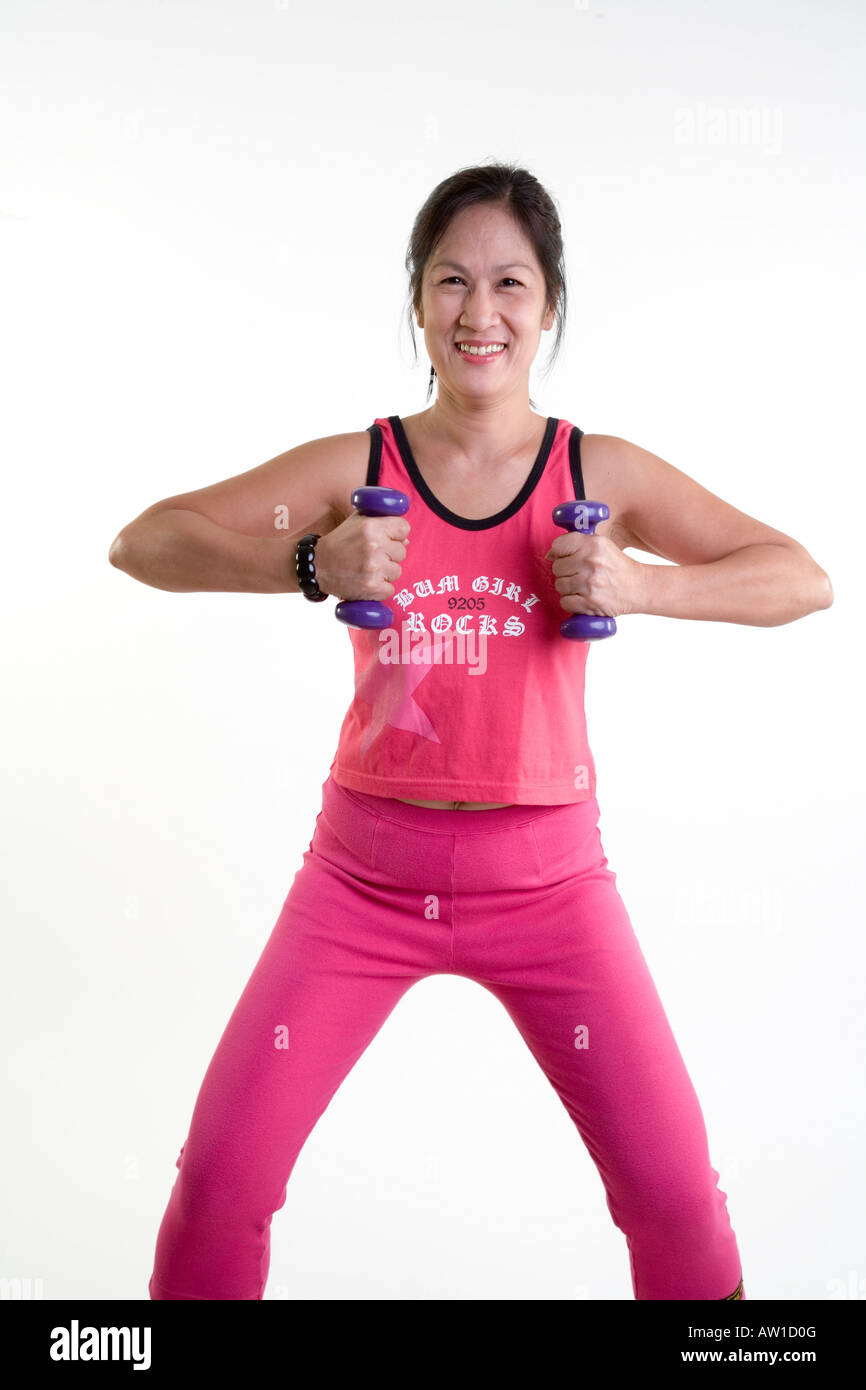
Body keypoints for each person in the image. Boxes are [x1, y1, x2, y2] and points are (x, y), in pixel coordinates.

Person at [109, 161, 833, 1301]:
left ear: (547, 304)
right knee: (222, 1181)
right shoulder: (360, 470)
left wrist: (642, 588)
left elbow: (799, 577)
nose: (478, 313)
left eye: (509, 283)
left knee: (674, 1199)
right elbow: (145, 542)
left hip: (550, 886)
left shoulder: (597, 471)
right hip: (361, 878)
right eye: (450, 281)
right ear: (416, 300)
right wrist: (305, 561)